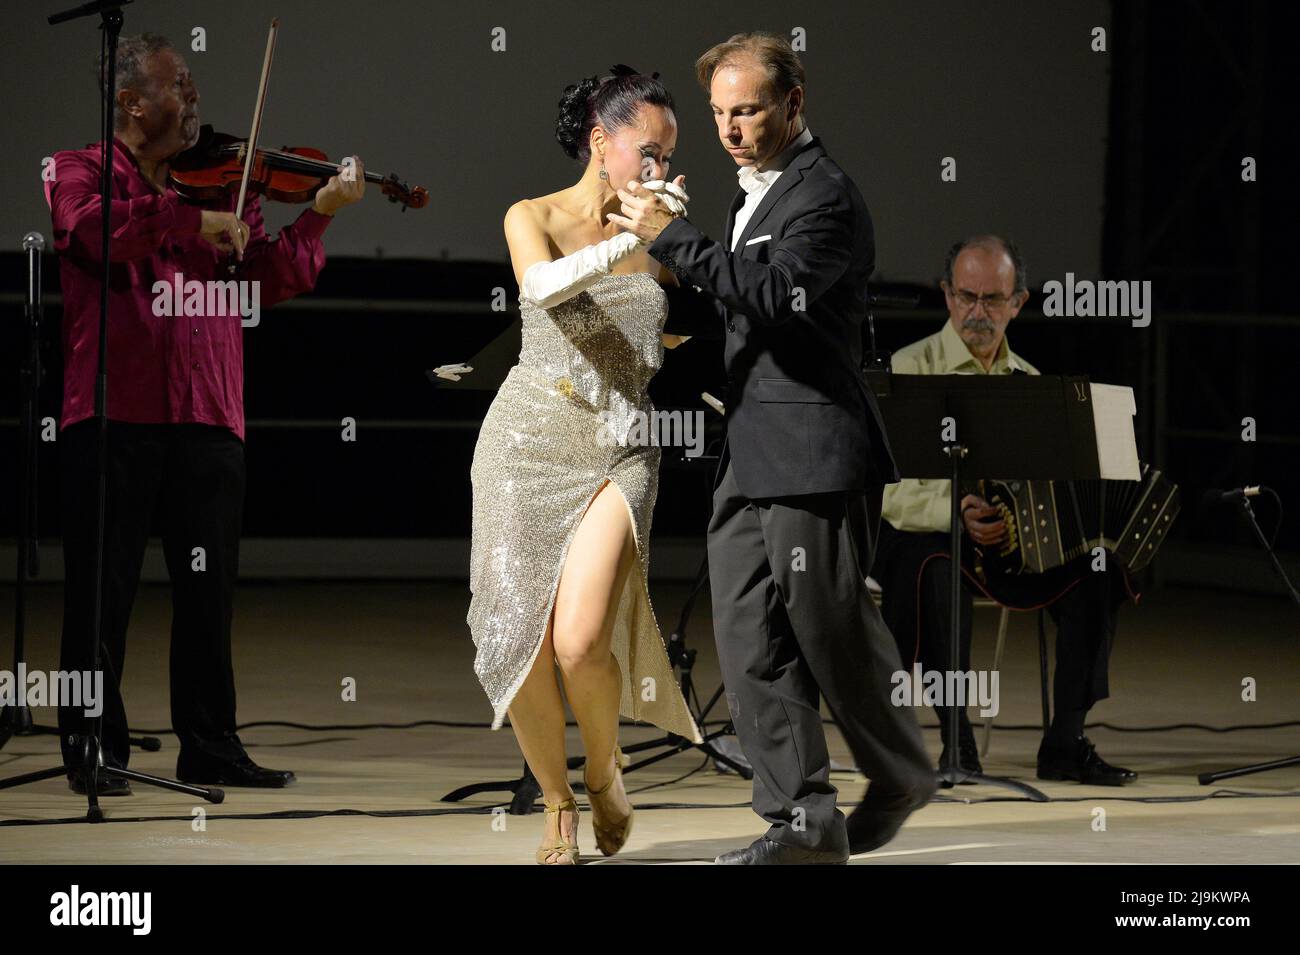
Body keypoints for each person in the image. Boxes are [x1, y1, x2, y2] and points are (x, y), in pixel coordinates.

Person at [614, 33, 936, 865]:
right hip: (752, 448)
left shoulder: (824, 194)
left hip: (813, 446)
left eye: (748, 111)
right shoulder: (750, 195)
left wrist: (676, 239)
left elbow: (775, 292)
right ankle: (804, 821)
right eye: (719, 112)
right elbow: (738, 304)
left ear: (794, 104)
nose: (729, 129)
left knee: (828, 626)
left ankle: (902, 768)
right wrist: (665, 285)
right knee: (747, 635)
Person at [46, 33, 364, 795]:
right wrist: (188, 220)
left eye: (192, 85)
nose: (194, 97)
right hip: (114, 410)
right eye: (178, 84)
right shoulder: (77, 169)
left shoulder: (227, 185)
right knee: (101, 591)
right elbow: (91, 231)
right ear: (131, 102)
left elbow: (265, 281)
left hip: (209, 410)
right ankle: (92, 744)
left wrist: (317, 217)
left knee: (208, 592)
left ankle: (211, 744)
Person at [467, 65, 702, 865]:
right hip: (524, 443)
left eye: (669, 155)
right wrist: (634, 241)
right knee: (521, 637)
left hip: (620, 443)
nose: (660, 168)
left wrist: (672, 249)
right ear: (602, 141)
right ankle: (558, 805)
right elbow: (540, 288)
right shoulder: (530, 215)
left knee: (577, 639)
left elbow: (698, 326)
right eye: (649, 150)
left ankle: (604, 772)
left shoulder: (661, 232)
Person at [875, 234, 1138, 785]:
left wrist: (1022, 523)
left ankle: (1065, 742)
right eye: (966, 296)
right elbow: (891, 495)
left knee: (1099, 569)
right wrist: (959, 511)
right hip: (930, 538)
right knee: (935, 566)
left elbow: (1049, 490)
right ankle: (958, 743)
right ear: (947, 295)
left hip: (1008, 547)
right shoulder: (910, 367)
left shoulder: (1031, 384)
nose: (978, 311)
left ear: (1017, 303)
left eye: (992, 299)